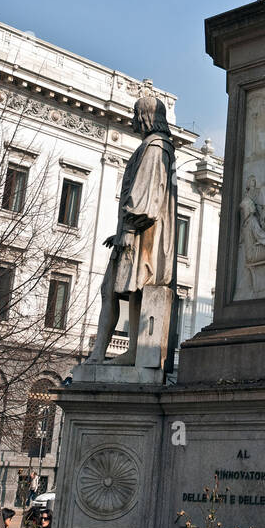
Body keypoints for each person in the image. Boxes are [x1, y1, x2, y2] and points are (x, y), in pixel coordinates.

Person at [88, 88, 178, 366]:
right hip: (135, 232)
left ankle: (117, 353)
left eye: (136, 115)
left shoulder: (154, 147)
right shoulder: (157, 146)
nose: (133, 120)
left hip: (139, 235)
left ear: (146, 116)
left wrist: (127, 229)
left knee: (126, 291)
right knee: (123, 291)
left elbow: (145, 198)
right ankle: (119, 352)